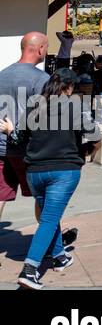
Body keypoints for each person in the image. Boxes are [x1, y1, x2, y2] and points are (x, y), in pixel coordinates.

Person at [1, 68, 100, 289]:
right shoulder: (75, 106)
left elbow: (17, 139)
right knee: (48, 220)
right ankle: (29, 271)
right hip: (63, 171)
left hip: (34, 172)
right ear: (69, 87)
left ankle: (60, 256)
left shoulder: (34, 106)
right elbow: (95, 137)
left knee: (49, 216)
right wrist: (86, 153)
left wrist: (9, 130)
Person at [0, 33, 52, 228]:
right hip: (28, 150)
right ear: (40, 49)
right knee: (43, 196)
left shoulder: (2, 74)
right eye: (46, 47)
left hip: (2, 147)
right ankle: (49, 240)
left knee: (0, 195)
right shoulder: (42, 79)